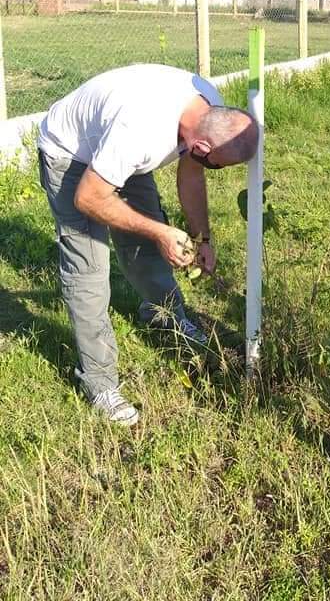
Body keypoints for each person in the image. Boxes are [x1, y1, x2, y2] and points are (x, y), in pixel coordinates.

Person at [37, 63, 258, 426]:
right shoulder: (138, 133)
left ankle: (164, 314)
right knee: (89, 269)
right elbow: (89, 199)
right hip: (71, 156)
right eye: (219, 164)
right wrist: (159, 232)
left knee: (146, 243)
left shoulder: (208, 107)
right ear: (202, 144)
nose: (212, 168)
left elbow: (191, 171)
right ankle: (99, 382)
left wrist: (202, 236)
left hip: (119, 151)